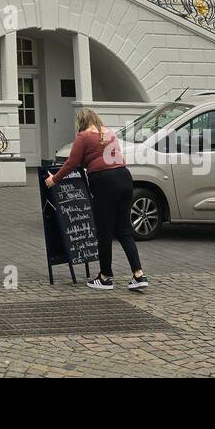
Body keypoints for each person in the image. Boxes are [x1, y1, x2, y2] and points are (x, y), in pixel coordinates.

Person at [47, 107, 148, 292]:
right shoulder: (109, 133)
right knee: (124, 230)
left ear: (82, 122)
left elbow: (72, 162)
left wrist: (54, 179)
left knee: (104, 232)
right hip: (125, 178)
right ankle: (138, 274)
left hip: (105, 182)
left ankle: (105, 277)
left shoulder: (84, 136)